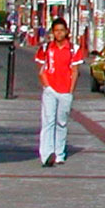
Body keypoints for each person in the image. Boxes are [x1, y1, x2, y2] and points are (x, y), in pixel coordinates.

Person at [35, 17, 85, 167]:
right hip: (50, 90)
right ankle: (46, 155)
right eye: (56, 31)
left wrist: (70, 90)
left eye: (62, 30)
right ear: (52, 32)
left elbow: (75, 71)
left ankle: (59, 153)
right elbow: (41, 69)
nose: (59, 33)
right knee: (48, 122)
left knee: (61, 122)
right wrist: (47, 86)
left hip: (65, 91)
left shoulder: (73, 49)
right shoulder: (46, 48)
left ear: (67, 31)